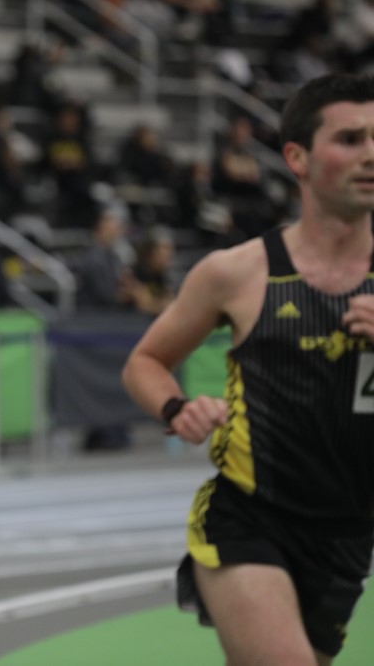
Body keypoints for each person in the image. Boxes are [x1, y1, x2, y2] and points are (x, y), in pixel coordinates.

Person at [121, 73, 374, 665]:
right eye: (351, 139)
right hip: (249, 516)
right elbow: (146, 361)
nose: (371, 155)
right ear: (297, 157)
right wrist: (179, 408)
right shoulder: (236, 272)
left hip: (348, 533)